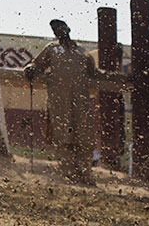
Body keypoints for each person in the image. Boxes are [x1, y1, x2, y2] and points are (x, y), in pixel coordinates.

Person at [25, 19, 99, 184]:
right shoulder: (52, 50)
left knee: (85, 138)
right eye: (55, 29)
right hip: (60, 101)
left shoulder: (82, 52)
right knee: (63, 137)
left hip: (81, 102)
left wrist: (120, 78)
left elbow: (94, 73)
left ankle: (86, 174)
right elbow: (37, 65)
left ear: (68, 28)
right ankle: (69, 174)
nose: (59, 31)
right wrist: (30, 69)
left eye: (61, 27)